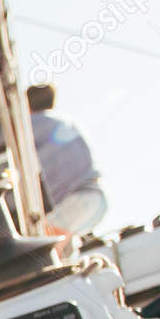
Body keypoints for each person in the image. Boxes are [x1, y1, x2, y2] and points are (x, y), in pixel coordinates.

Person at [25, 83, 106, 237]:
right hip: (95, 199)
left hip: (75, 200)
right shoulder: (65, 123)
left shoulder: (30, 125)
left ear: (26, 105)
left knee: (39, 245)